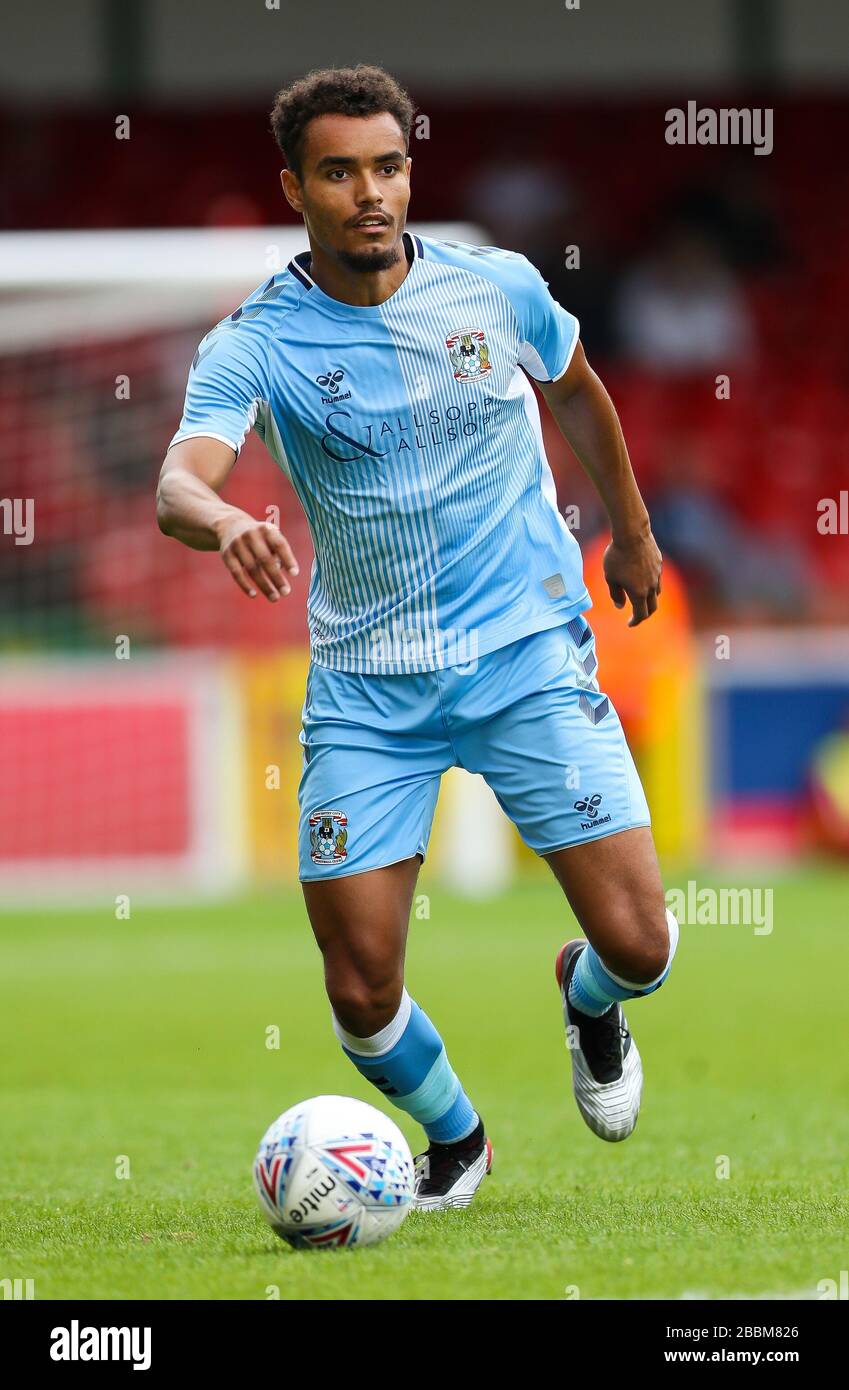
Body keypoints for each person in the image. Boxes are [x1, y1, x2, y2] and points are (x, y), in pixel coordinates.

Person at [156, 65, 677, 1214]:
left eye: (387, 166)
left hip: (526, 656)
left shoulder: (497, 289)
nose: (369, 192)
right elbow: (180, 482)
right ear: (294, 187)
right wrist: (231, 516)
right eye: (339, 172)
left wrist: (632, 538)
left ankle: (587, 999)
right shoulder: (256, 340)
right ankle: (458, 1137)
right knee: (358, 985)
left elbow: (580, 389)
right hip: (366, 687)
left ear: (409, 171)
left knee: (643, 946)